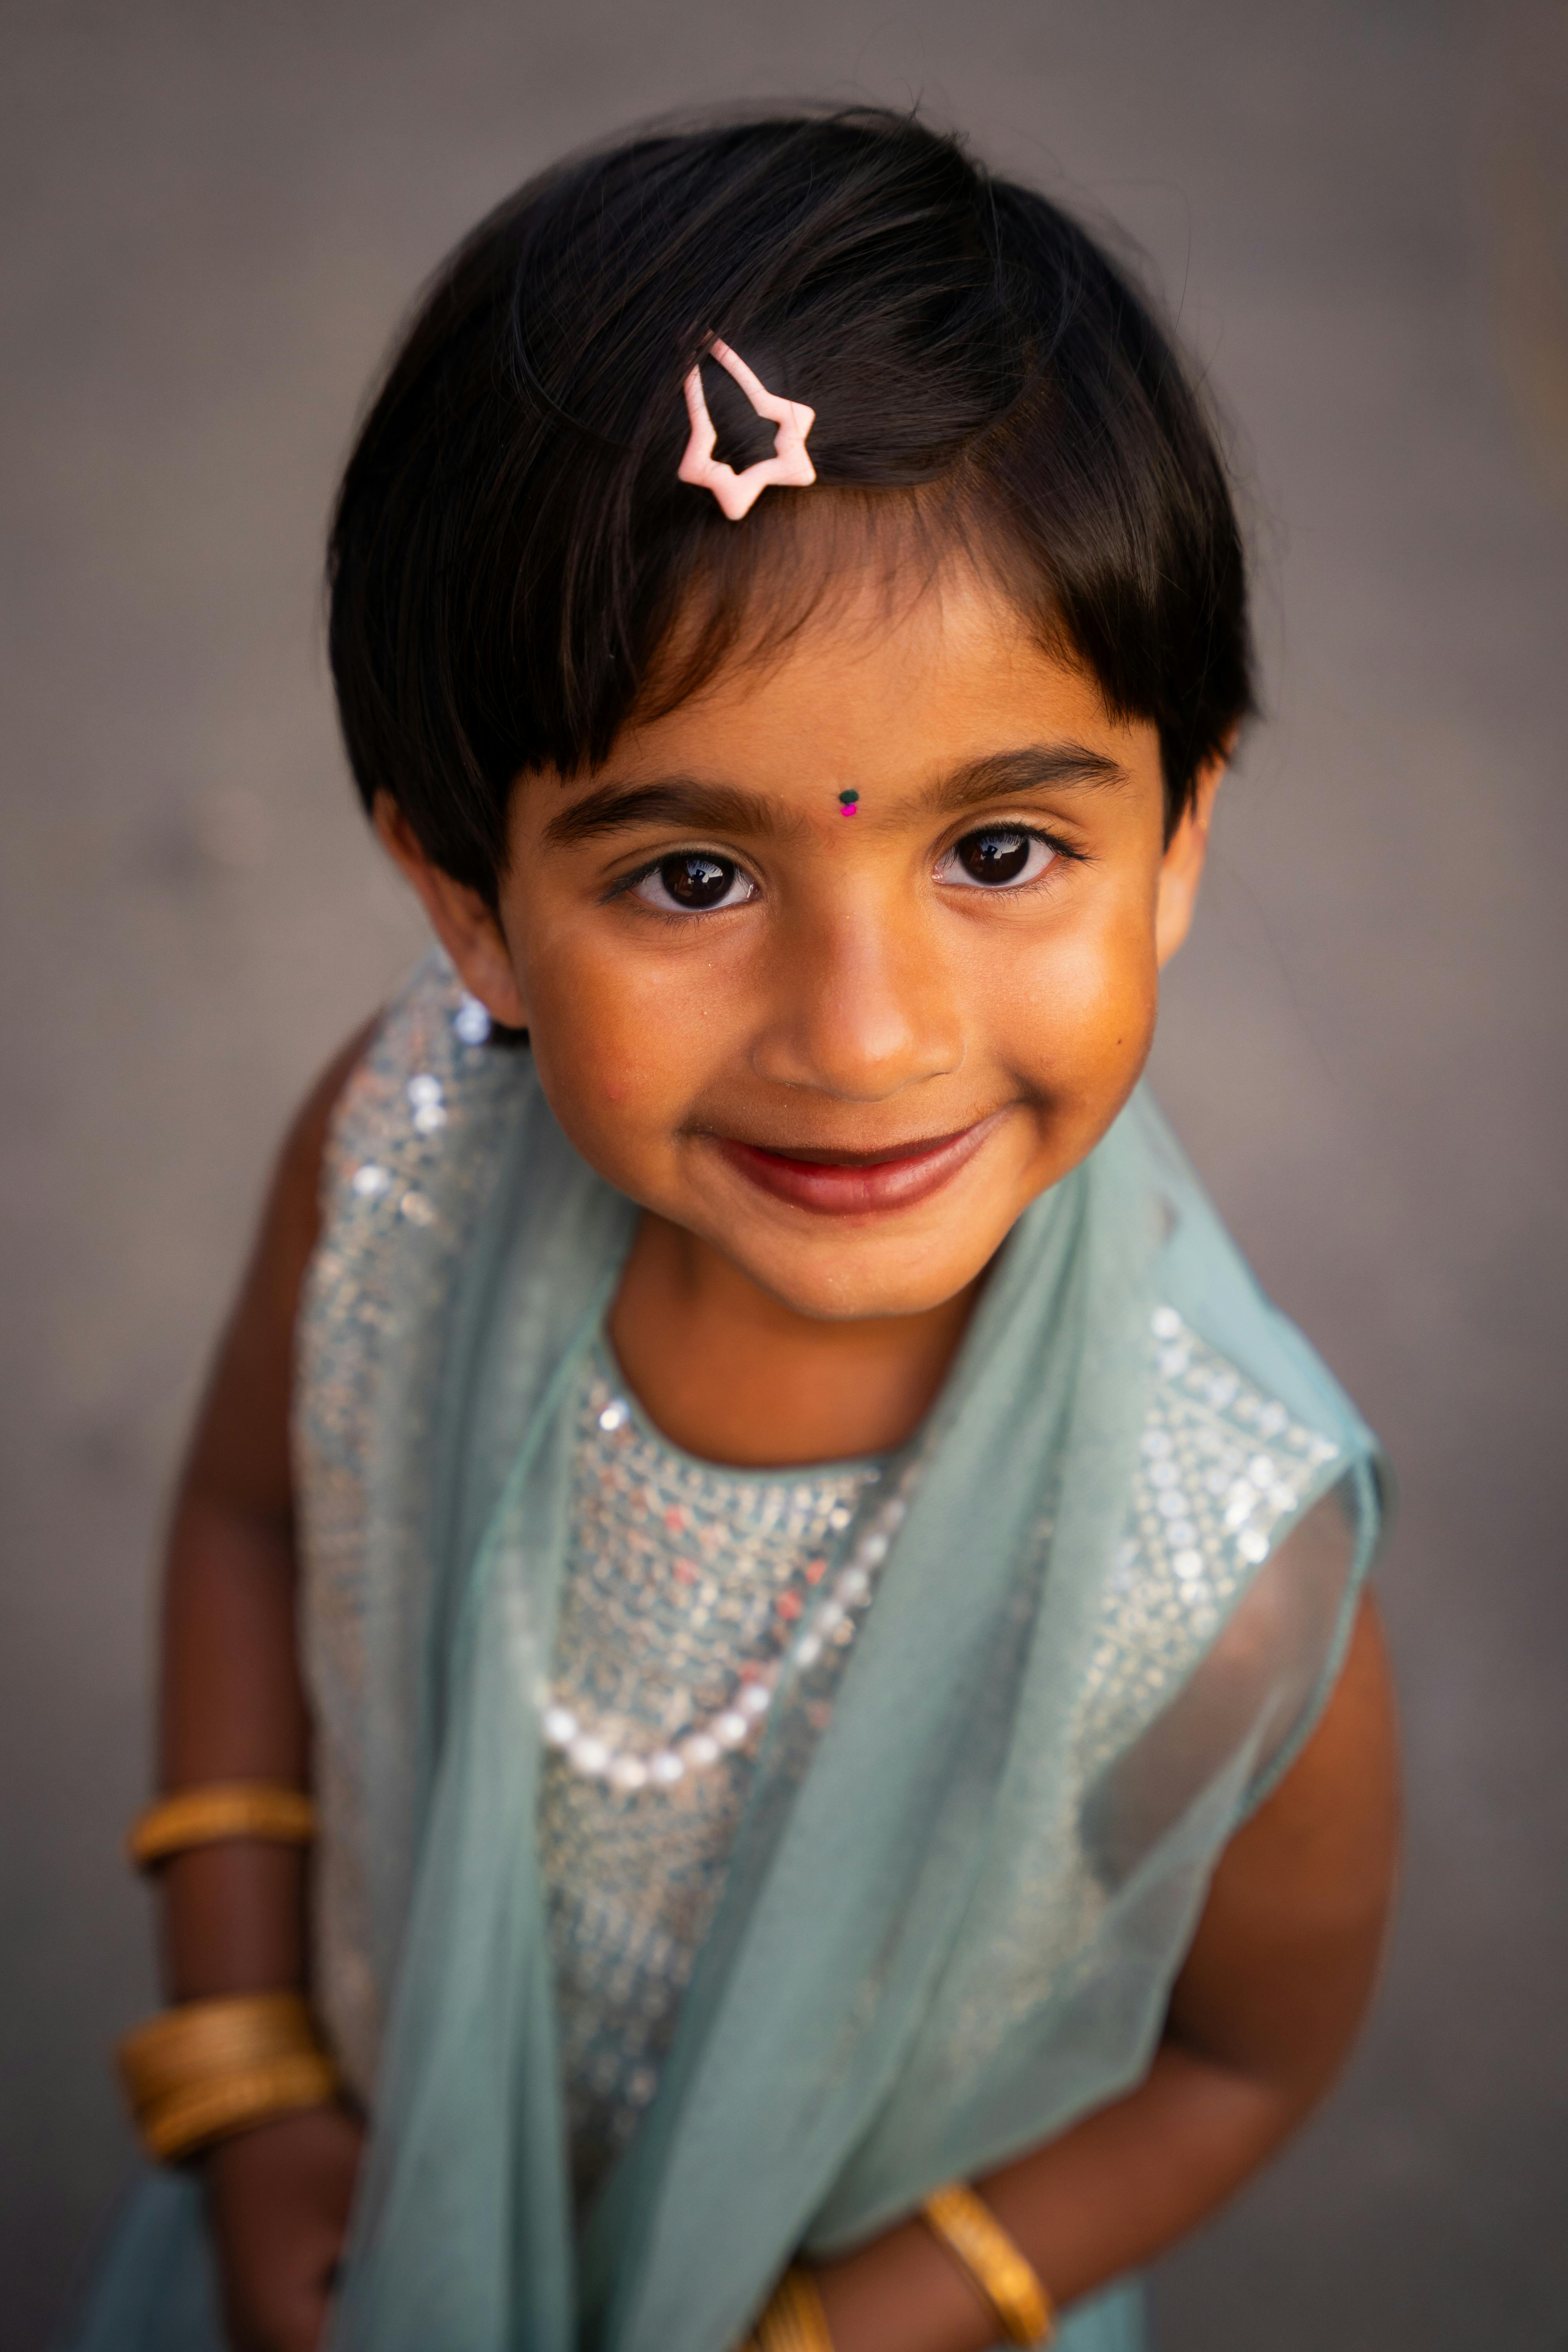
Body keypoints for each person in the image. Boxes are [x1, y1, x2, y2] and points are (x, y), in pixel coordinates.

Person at [70, 106, 1399, 2352]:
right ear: (466, 906)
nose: (865, 1038)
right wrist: (252, 2088)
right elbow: (244, 1527)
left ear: (1178, 833)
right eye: (691, 877)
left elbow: (1245, 2062)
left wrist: (831, 2330)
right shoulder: (397, 1153)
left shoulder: (1231, 1574)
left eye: (1000, 853)